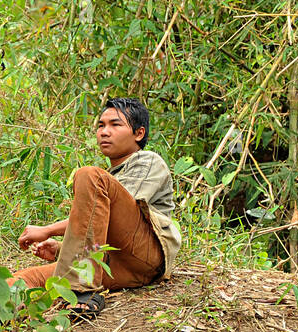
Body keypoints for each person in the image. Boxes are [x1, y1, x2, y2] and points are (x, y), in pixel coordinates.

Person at [13, 97, 182, 317]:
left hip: (146, 258)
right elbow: (97, 224)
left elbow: (112, 214)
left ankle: (83, 292)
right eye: (101, 125)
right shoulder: (109, 178)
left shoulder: (147, 161)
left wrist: (46, 230)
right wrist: (61, 249)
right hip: (114, 265)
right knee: (26, 279)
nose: (104, 131)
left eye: (115, 124)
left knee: (88, 175)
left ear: (138, 133)